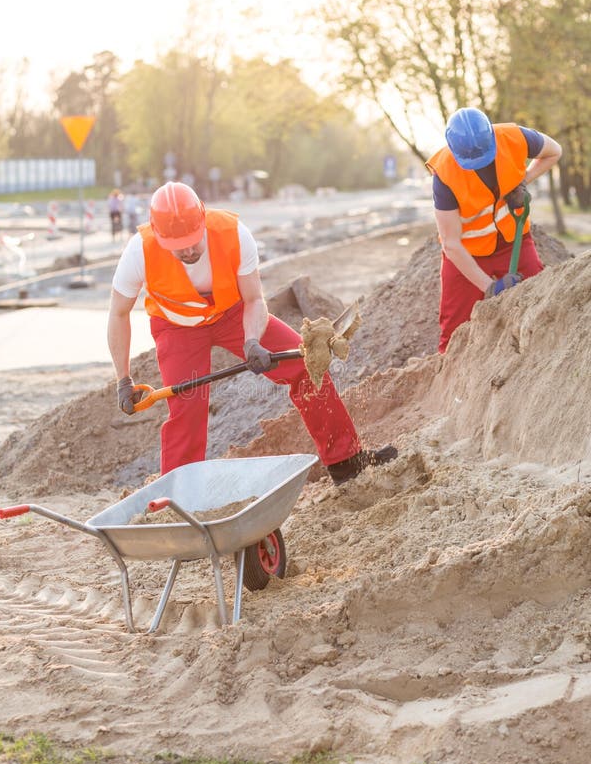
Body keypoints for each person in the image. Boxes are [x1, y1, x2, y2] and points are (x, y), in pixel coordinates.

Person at [107, 181, 398, 484]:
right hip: (177, 325)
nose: (189, 250)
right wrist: (123, 380)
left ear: (203, 220)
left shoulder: (234, 233)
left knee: (305, 366)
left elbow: (254, 299)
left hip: (234, 312)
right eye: (179, 246)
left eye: (193, 241)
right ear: (159, 235)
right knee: (186, 405)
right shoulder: (139, 251)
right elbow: (118, 314)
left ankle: (346, 462)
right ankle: (178, 495)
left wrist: (252, 342)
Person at [425, 108, 562, 353]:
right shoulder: (444, 174)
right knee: (454, 330)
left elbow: (554, 151)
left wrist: (523, 181)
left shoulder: (514, 137)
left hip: (513, 241)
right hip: (467, 255)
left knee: (541, 303)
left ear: (491, 135)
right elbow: (450, 243)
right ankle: (448, 372)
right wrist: (490, 287)